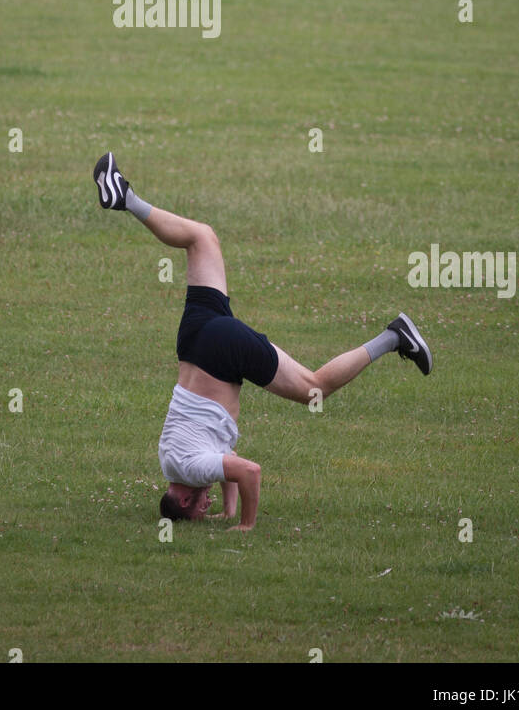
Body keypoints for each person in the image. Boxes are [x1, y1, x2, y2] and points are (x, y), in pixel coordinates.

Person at [94, 151, 433, 532]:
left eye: (200, 509)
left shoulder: (190, 468)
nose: (205, 507)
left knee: (314, 389)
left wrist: (245, 525)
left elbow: (248, 471)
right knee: (201, 238)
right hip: (194, 340)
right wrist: (228, 508)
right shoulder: (171, 460)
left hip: (221, 354)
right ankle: (126, 198)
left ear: (184, 498)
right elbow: (226, 460)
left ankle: (393, 337)